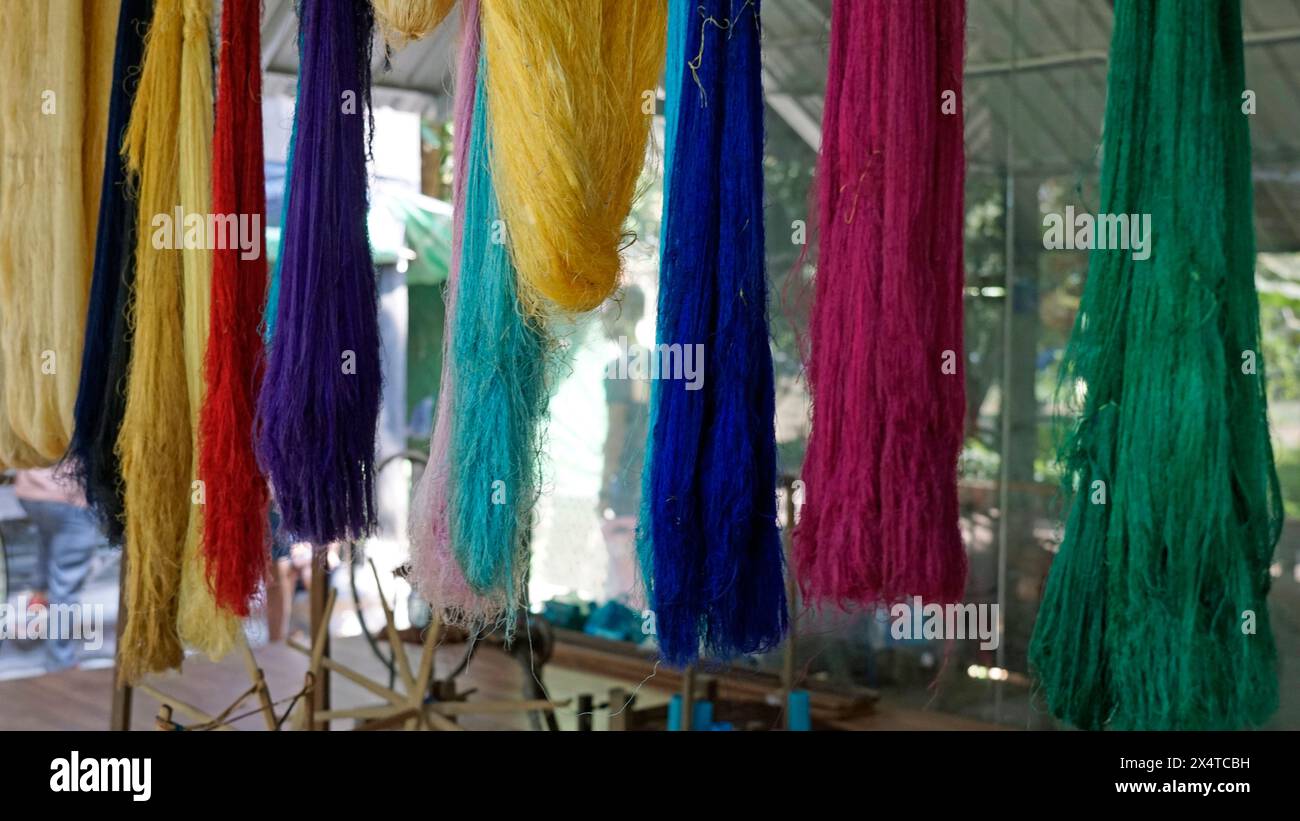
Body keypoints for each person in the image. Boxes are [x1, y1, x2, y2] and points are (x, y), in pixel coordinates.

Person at [12, 466, 103, 671]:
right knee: (66, 586)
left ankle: (33, 622)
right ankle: (60, 661)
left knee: (47, 548)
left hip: (30, 490)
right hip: (71, 495)